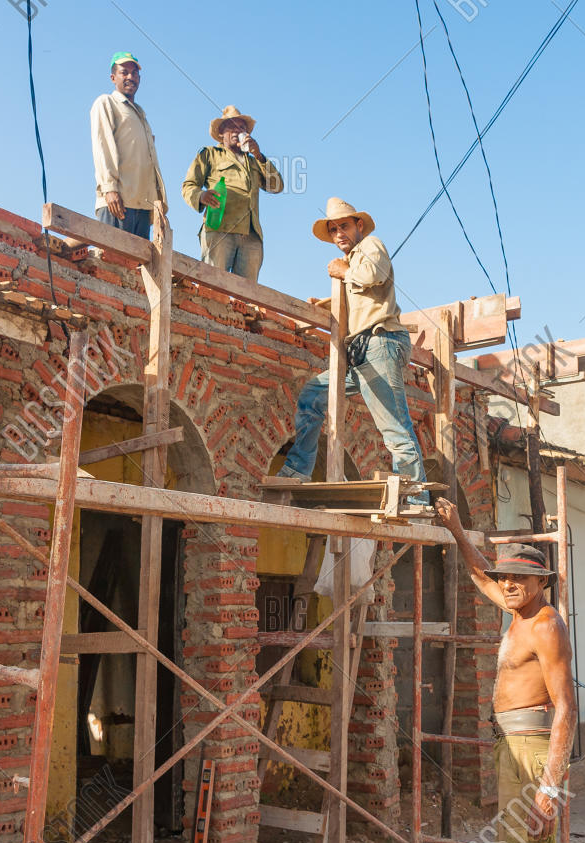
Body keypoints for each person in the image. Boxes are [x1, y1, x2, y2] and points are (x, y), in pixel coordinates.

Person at [437, 499, 574, 843]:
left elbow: (566, 708)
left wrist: (549, 791)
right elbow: (481, 573)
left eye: (520, 577)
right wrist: (456, 529)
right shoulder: (517, 610)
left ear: (541, 582)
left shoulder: (545, 625)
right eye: (507, 577)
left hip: (534, 752)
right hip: (511, 748)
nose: (510, 583)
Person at [276, 198, 428, 506]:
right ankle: (298, 469)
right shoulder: (350, 264)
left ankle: (416, 501)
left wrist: (343, 271)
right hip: (359, 352)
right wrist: (322, 304)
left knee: (394, 428)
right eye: (333, 230)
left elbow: (373, 275)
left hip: (380, 343)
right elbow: (354, 301)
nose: (338, 234)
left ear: (359, 225)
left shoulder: (371, 246)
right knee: (312, 395)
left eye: (343, 226)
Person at [181, 106, 283, 281]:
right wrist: (201, 196)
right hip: (219, 229)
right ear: (221, 133)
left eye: (242, 128)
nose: (238, 131)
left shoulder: (254, 162)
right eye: (232, 126)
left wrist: (259, 155)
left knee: (247, 292)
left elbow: (277, 186)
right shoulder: (210, 154)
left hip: (251, 235)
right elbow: (189, 186)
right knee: (212, 284)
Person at [90, 52, 166, 239]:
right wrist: (109, 189)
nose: (130, 77)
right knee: (112, 256)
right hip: (118, 202)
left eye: (134, 73)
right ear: (113, 77)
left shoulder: (141, 115)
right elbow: (103, 147)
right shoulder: (107, 103)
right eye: (124, 72)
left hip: (143, 207)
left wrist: (158, 204)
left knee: (136, 259)